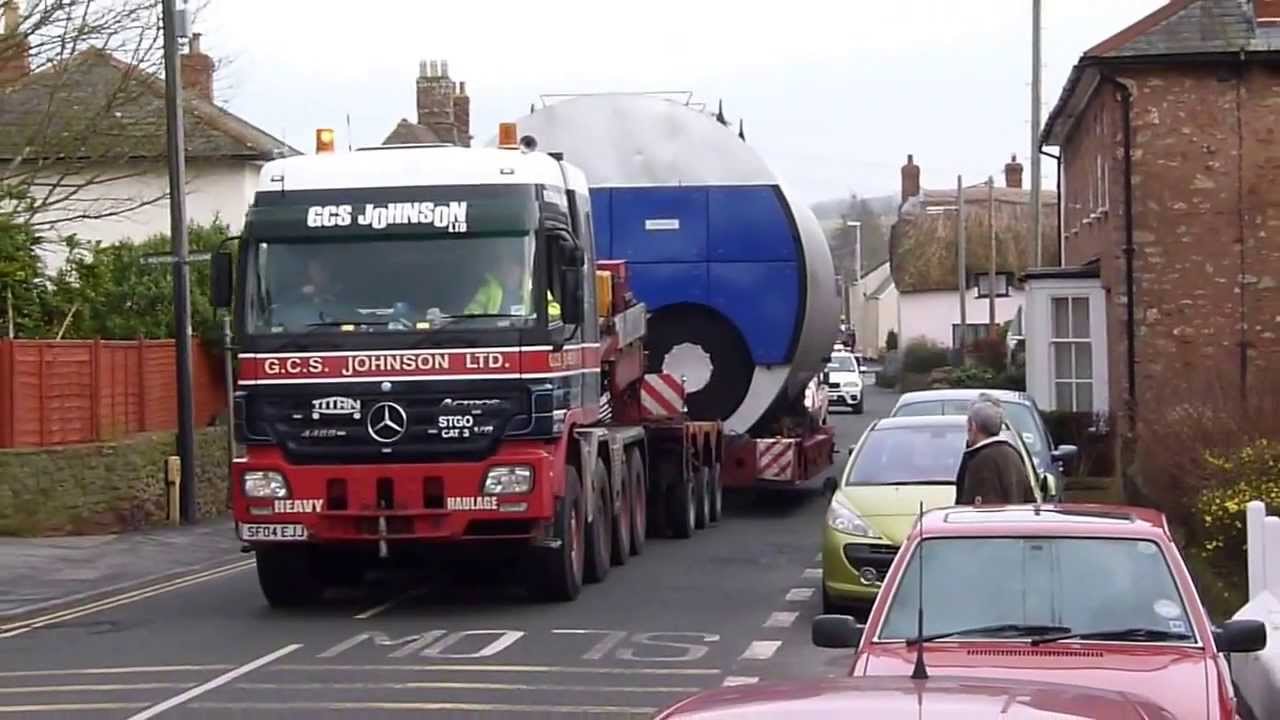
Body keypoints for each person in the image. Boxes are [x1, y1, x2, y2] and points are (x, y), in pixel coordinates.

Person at [954, 400, 1032, 505]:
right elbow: (1029, 501)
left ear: (973, 426)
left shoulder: (982, 460)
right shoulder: (1013, 454)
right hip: (1015, 520)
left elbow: (980, 509)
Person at [464, 249, 562, 321]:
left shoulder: (534, 287)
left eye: (512, 268)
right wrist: (488, 322)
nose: (508, 272)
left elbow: (555, 312)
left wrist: (536, 318)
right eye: (504, 269)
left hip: (527, 336)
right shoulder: (489, 289)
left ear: (521, 269)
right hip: (495, 336)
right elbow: (470, 316)